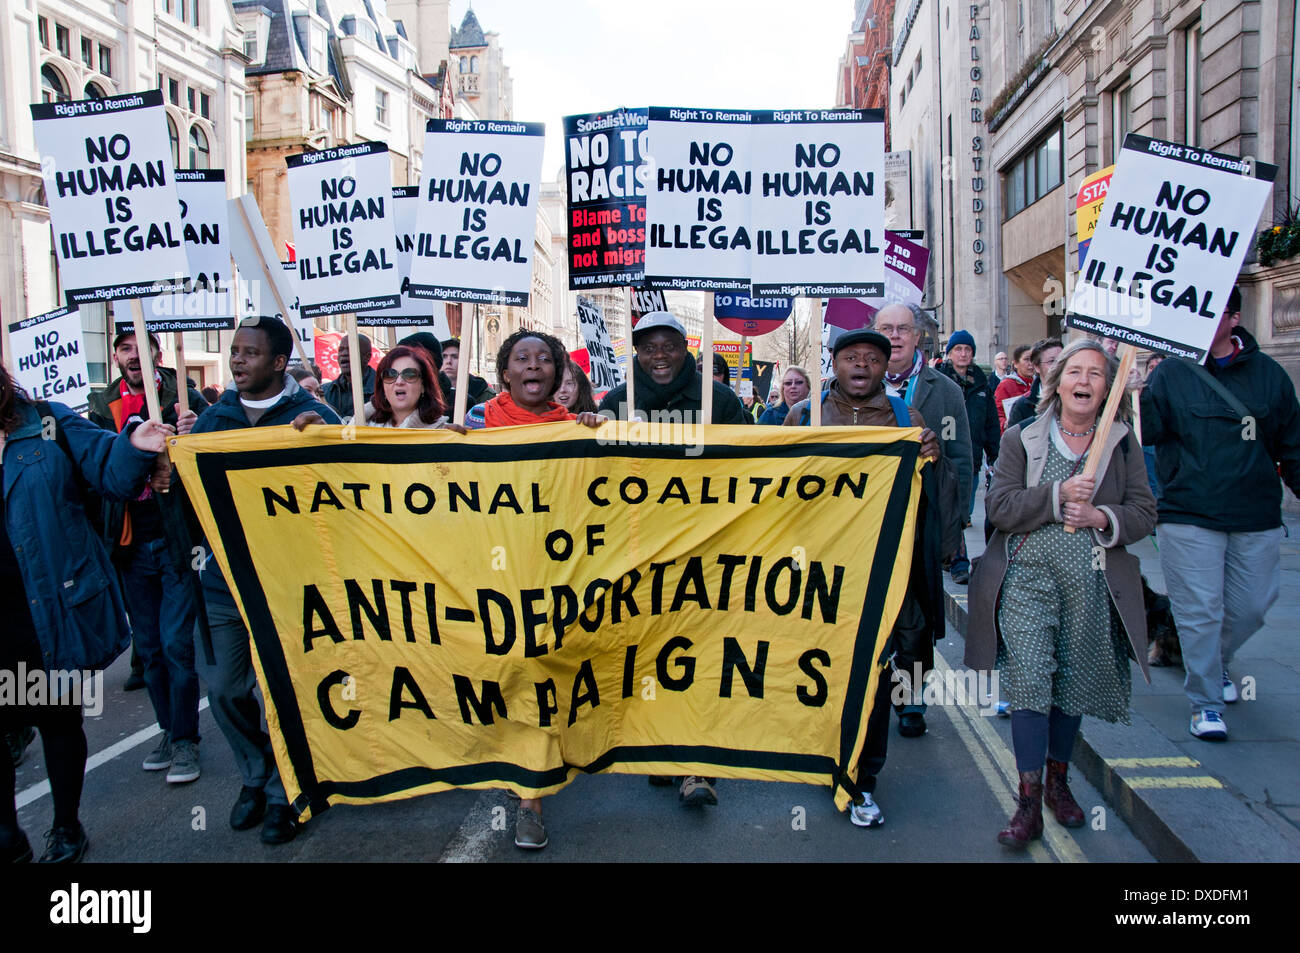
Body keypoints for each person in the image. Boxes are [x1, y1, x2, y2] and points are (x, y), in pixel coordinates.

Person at [966, 340, 1157, 848]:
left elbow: (1144, 511)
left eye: (1097, 373)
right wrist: (1055, 498)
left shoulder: (1121, 443)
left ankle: (1058, 782)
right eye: (1076, 370)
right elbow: (1001, 507)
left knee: (1070, 686)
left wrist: (1101, 516)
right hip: (1027, 580)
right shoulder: (1022, 437)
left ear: (1107, 387)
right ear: (1056, 382)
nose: (1085, 380)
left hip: (1091, 581)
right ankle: (1027, 801)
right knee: (1029, 683)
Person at [1, 362, 173, 862]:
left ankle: (66, 825)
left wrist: (135, 444)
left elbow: (110, 471)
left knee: (56, 721)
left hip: (42, 611)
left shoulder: (45, 423)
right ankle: (8, 838)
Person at [189, 316, 341, 845]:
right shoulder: (211, 423)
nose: (237, 361)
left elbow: (344, 494)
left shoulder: (313, 417)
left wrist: (322, 444)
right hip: (223, 588)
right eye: (234, 351)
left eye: (250, 353)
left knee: (283, 691)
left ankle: (283, 792)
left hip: (287, 588)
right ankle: (253, 775)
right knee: (226, 689)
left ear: (278, 362)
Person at [783, 328, 941, 828]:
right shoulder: (805, 415)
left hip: (879, 577)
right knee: (820, 674)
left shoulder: (905, 419)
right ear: (834, 363)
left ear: (884, 367)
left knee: (872, 677)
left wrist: (930, 460)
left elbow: (930, 499)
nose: (861, 366)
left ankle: (862, 780)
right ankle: (827, 757)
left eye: (872, 358)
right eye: (851, 357)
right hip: (818, 577)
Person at [456, 329, 604, 849]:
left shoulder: (577, 428)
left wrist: (595, 436)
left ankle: (530, 798)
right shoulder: (473, 422)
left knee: (537, 669)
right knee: (504, 669)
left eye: (546, 359)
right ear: (505, 374)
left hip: (553, 578)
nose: (535, 366)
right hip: (489, 574)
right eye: (523, 358)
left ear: (559, 375)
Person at [1140, 286, 1300, 741]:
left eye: (1214, 314)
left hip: (1255, 513)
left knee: (1252, 606)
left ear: (1234, 318)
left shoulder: (1269, 376)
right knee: (1200, 611)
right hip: (1188, 512)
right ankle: (1206, 700)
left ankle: (1212, 660)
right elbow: (1147, 433)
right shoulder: (1171, 372)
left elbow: (1292, 443)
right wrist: (1134, 390)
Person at [88, 331, 208, 785]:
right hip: (129, 547)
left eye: (142, 348)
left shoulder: (183, 398)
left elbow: (214, 453)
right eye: (124, 349)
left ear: (158, 354)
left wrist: (195, 438)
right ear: (116, 357)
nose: (133, 357)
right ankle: (168, 729)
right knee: (152, 649)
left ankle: (186, 742)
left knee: (177, 646)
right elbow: (96, 470)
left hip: (176, 544)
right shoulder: (100, 408)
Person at [877, 304, 971, 731]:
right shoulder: (842, 386)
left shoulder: (945, 391)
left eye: (902, 329)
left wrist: (956, 527)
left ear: (918, 337)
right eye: (886, 329)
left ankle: (909, 696)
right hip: (867, 526)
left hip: (923, 522)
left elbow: (962, 461)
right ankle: (868, 693)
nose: (894, 336)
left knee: (916, 617)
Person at [598, 311, 750, 427]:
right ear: (637, 351)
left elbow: (740, 462)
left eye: (669, 347)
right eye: (649, 348)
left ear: (685, 347)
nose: (659, 355)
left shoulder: (720, 399)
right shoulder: (615, 402)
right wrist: (590, 426)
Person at [937, 328, 1000, 582]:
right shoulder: (940, 381)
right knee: (951, 508)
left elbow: (990, 422)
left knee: (964, 509)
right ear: (950, 353)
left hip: (971, 456)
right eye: (958, 349)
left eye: (967, 349)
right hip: (943, 457)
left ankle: (951, 554)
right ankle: (959, 563)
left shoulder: (982, 384)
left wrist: (994, 454)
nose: (963, 354)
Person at [1007, 338, 1063, 429]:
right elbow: (1012, 441)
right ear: (1036, 367)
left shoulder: (1075, 399)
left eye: (1061, 360)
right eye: (1051, 361)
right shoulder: (1022, 406)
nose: (1058, 366)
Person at [322, 333, 375, 419]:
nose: (344, 354)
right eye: (341, 350)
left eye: (351, 349)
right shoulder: (325, 392)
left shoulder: (384, 390)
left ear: (367, 357)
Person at [440, 337, 496, 409]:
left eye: (455, 357)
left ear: (464, 359)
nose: (448, 361)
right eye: (444, 356)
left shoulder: (485, 394)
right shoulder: (427, 391)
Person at [994, 345, 1035, 431]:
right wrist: (1004, 424)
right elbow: (996, 414)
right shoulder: (1006, 385)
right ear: (1015, 363)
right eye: (1026, 359)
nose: (1031, 363)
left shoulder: (1038, 384)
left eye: (1033, 359)